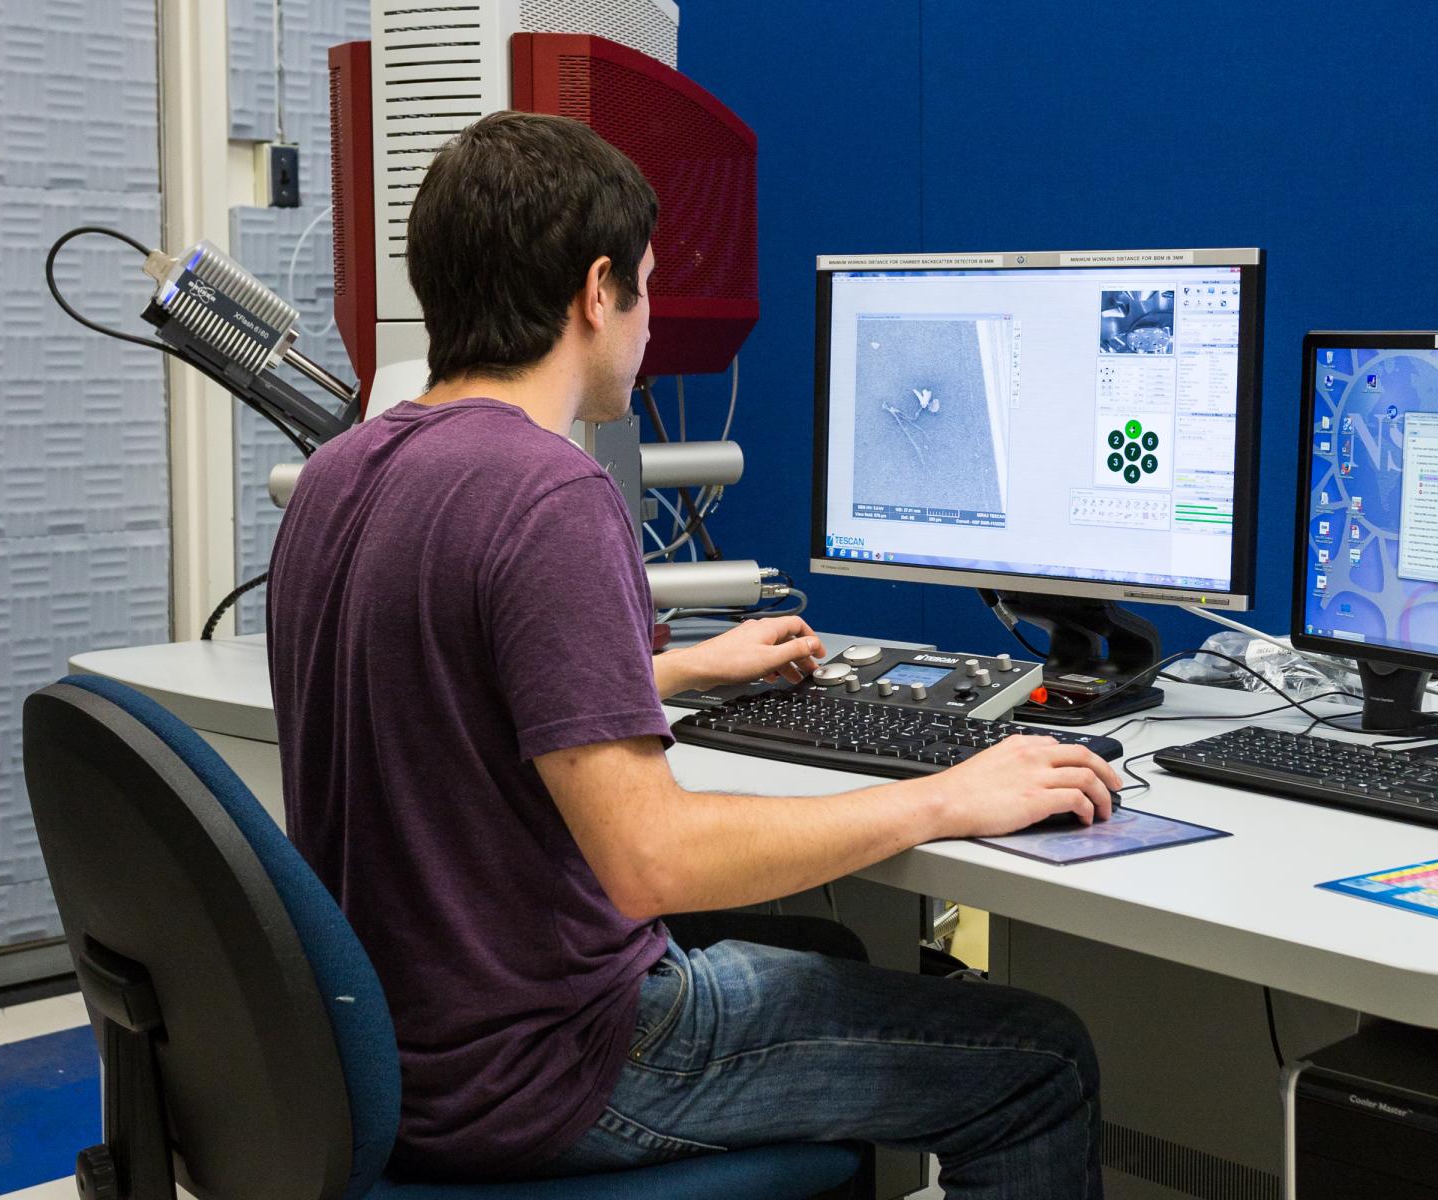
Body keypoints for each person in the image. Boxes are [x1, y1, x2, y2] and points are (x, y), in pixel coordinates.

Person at [267, 111, 1118, 1199]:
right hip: (550, 1070)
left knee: (833, 957)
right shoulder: (551, 493)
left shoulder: (338, 474)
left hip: (388, 1060)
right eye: (649, 288)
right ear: (597, 291)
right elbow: (652, 862)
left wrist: (664, 674)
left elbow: (437, 691)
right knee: (1043, 1062)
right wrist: (947, 797)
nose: (650, 323)